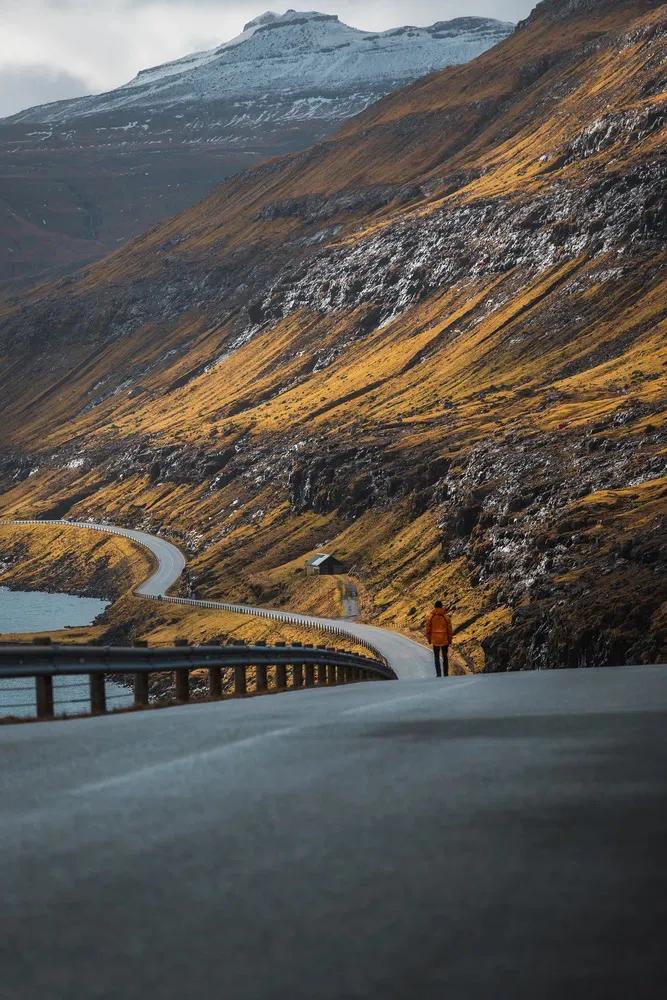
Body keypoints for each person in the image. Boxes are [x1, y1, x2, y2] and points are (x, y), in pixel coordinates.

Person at [425, 600, 453, 677]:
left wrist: (429, 639)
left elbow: (428, 630)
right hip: (444, 640)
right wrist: (450, 640)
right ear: (441, 607)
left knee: (436, 657)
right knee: (445, 657)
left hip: (435, 640)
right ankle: (446, 674)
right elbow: (449, 630)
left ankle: (438, 674)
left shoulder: (431, 617)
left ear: (434, 607)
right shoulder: (446, 617)